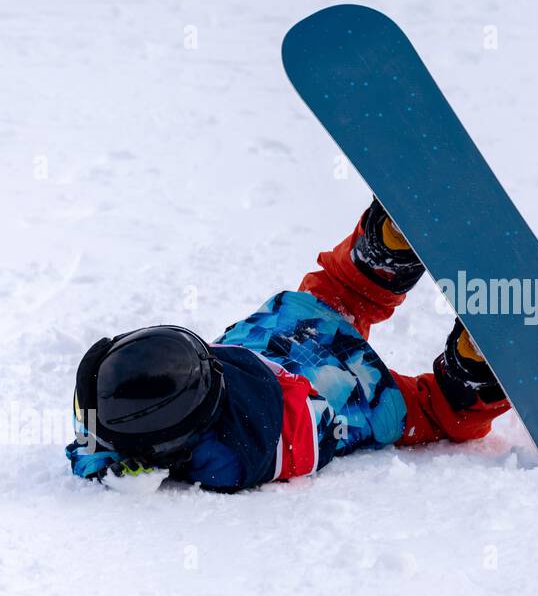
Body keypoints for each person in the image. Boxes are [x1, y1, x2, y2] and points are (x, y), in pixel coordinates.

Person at [65, 199, 512, 493]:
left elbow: (113, 465)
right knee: (338, 296)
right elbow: (91, 441)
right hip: (269, 347)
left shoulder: (216, 460)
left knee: (428, 411)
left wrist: (122, 465)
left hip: (335, 394)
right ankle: (384, 246)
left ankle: (473, 372)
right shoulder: (221, 453)